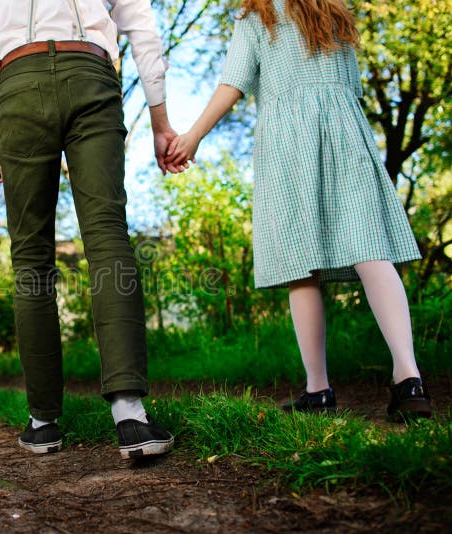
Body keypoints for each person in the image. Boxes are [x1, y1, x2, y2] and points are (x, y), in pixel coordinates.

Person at [165, 0, 432, 421]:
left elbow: (232, 83)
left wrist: (193, 136)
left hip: (287, 136)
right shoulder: (336, 11)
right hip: (345, 126)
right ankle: (409, 379)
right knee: (369, 247)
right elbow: (352, 86)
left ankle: (318, 390)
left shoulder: (257, 17)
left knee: (300, 262)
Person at [0, 0, 184, 457]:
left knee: (31, 253)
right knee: (107, 234)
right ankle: (130, 413)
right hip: (92, 74)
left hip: (19, 82)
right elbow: (141, 25)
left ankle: (43, 421)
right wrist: (160, 121)